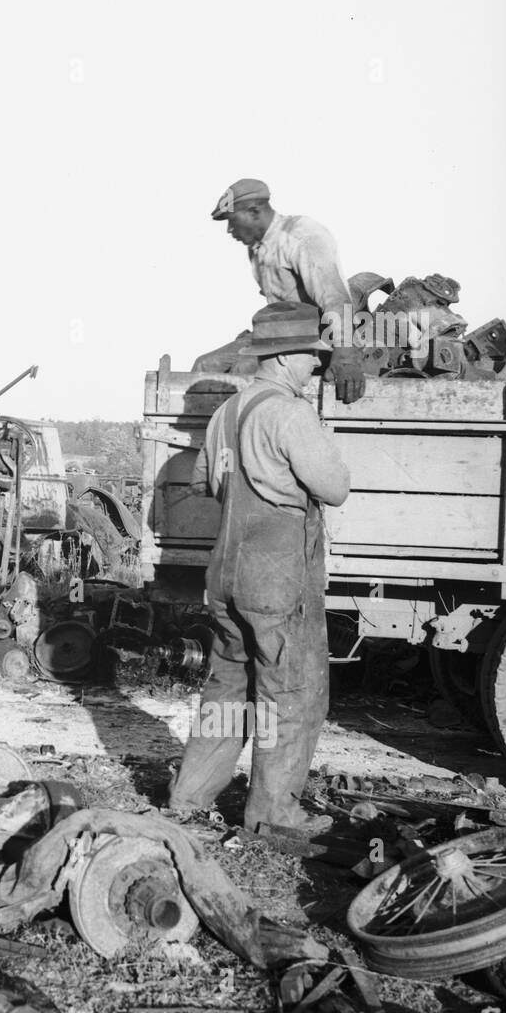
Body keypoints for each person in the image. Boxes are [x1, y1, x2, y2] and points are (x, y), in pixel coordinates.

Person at [168, 302, 350, 834]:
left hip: (224, 567)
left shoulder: (225, 414)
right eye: (311, 358)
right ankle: (273, 815)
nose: (316, 367)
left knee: (228, 684)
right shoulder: (290, 413)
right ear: (286, 356)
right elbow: (334, 488)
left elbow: (204, 482)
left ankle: (190, 794)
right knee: (291, 690)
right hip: (275, 570)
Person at [195, 178, 367, 403]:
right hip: (281, 337)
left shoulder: (301, 236)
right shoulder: (257, 250)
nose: (229, 230)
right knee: (204, 366)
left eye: (233, 221)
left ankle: (247, 433)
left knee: (244, 370)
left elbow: (334, 298)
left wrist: (345, 356)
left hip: (316, 340)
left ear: (254, 211)